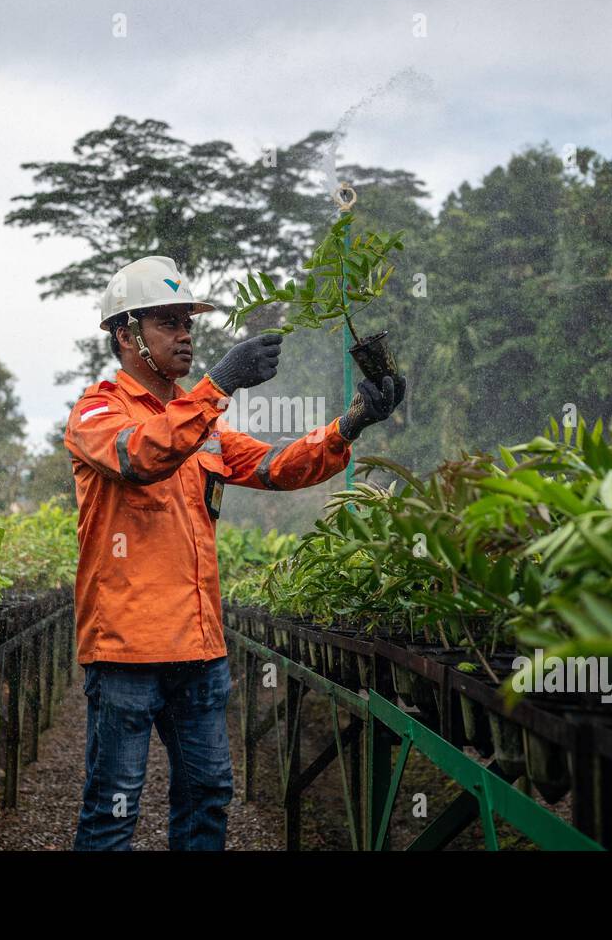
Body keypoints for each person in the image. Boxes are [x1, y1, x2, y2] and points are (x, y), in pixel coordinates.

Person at [64, 255, 405, 850]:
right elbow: (138, 456)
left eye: (187, 321)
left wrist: (352, 423)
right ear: (125, 335)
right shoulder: (98, 412)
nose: (185, 334)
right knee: (115, 808)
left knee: (209, 795)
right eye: (168, 322)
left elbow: (277, 466)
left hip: (198, 648)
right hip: (125, 649)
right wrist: (218, 384)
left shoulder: (204, 428)